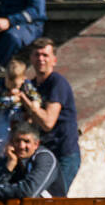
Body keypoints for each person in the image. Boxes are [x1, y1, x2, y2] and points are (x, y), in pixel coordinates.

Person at [20, 37, 79, 195]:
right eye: (37, 55)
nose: (41, 59)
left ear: (54, 60)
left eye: (45, 55)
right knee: (40, 196)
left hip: (63, 153)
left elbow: (47, 122)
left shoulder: (57, 83)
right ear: (31, 59)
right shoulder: (31, 86)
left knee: (53, 199)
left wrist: (25, 101)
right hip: (44, 152)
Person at [0, 56, 42, 177]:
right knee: (0, 137)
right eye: (10, 84)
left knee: (15, 137)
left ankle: (7, 160)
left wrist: (35, 102)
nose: (13, 88)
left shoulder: (26, 85)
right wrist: (11, 98)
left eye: (15, 86)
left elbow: (35, 95)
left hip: (17, 115)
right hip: (2, 115)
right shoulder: (1, 86)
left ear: (23, 79)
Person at [0, 121, 57, 203]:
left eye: (26, 141)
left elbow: (29, 192)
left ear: (36, 144)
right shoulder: (11, 158)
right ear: (11, 143)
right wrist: (9, 167)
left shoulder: (45, 158)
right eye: (17, 141)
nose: (21, 146)